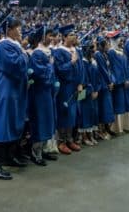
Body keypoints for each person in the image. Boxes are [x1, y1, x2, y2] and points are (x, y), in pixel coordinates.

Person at [0, 17, 28, 181]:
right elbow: (14, 66)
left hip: (14, 90)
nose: (21, 32)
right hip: (5, 90)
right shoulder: (3, 46)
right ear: (9, 30)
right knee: (2, 125)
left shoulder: (13, 46)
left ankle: (9, 157)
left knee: (13, 123)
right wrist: (25, 55)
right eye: (18, 28)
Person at [27, 26, 57, 166]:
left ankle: (44, 149)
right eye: (49, 35)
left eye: (52, 36)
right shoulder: (37, 54)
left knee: (48, 120)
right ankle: (35, 152)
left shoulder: (48, 52)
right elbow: (41, 74)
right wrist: (50, 66)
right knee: (40, 121)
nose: (51, 38)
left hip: (47, 92)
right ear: (42, 37)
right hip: (39, 93)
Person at [53, 24, 83, 154]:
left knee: (72, 114)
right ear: (64, 37)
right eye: (70, 35)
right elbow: (59, 69)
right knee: (64, 113)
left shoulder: (76, 50)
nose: (74, 36)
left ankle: (70, 139)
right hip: (65, 87)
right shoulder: (59, 51)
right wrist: (71, 62)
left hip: (75, 87)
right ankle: (61, 142)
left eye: (74, 34)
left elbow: (82, 69)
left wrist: (81, 83)